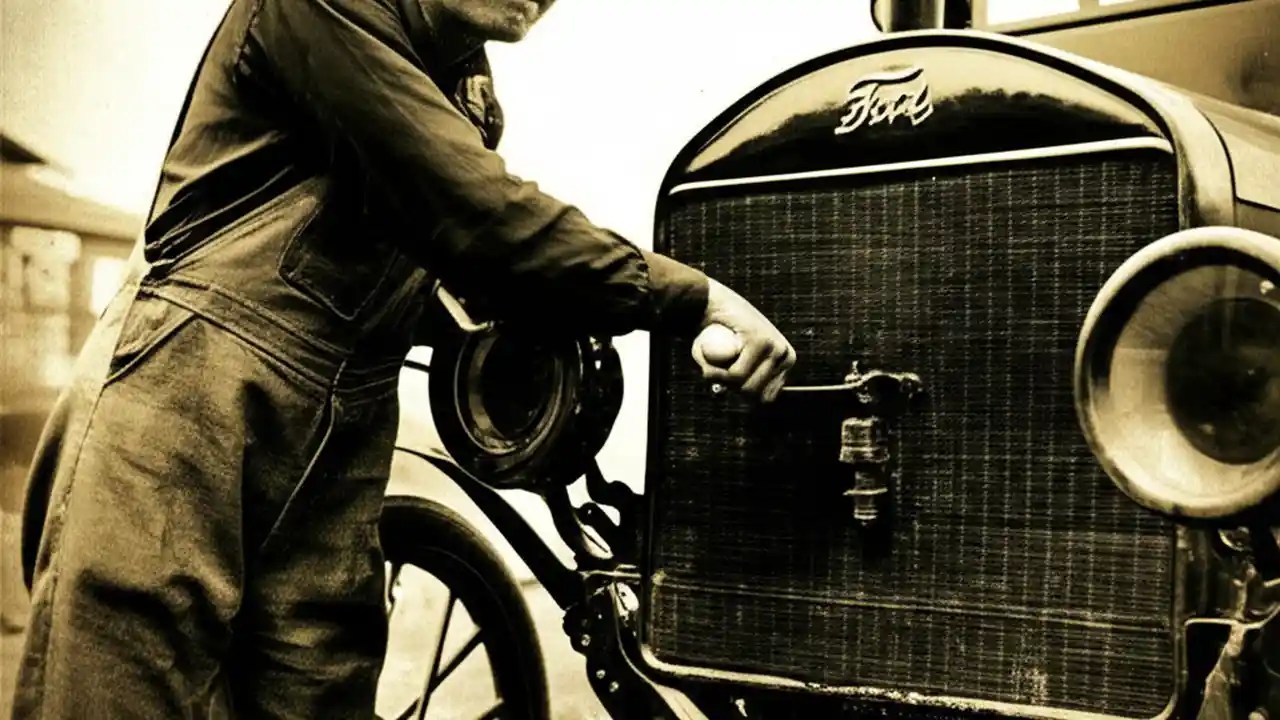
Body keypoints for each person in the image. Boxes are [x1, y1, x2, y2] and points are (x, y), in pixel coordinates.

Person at [14, 0, 796, 717]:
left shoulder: (468, 95)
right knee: (116, 687)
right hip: (185, 406)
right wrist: (691, 300)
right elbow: (471, 210)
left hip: (342, 430)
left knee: (318, 694)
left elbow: (452, 262)